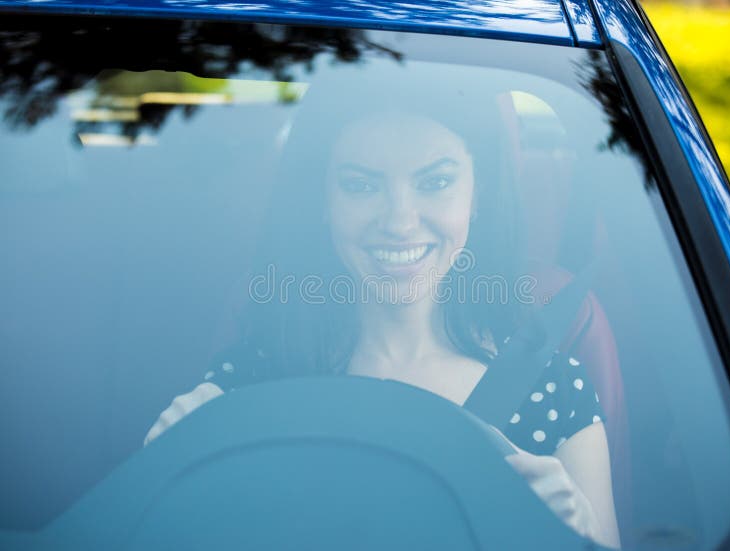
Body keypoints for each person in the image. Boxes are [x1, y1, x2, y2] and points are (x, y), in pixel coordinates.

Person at [144, 60, 620, 548]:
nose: (399, 221)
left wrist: (578, 540)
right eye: (361, 185)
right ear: (323, 203)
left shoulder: (556, 394)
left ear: (477, 196)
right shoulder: (247, 386)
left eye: (435, 182)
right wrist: (159, 485)